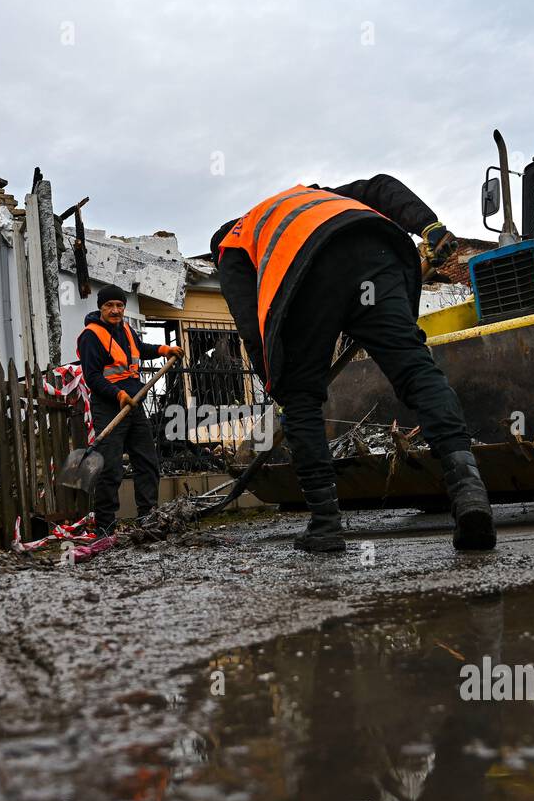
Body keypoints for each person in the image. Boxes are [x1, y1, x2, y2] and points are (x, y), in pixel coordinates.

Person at [210, 175, 496, 553]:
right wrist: (429, 227)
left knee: (300, 398)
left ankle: (326, 526)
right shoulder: (314, 198)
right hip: (376, 248)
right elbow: (380, 187)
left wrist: (278, 385)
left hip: (309, 268)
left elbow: (252, 325)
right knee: (414, 368)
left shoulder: (232, 244)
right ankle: (469, 491)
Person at [76, 284, 182, 535]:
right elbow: (92, 376)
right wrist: (118, 394)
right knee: (110, 467)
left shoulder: (126, 330)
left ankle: (148, 516)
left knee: (147, 461)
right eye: (109, 306)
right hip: (109, 405)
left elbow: (139, 350)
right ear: (100, 307)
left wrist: (163, 350)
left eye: (119, 305)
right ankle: (106, 525)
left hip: (134, 401)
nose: (115, 310)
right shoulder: (90, 336)